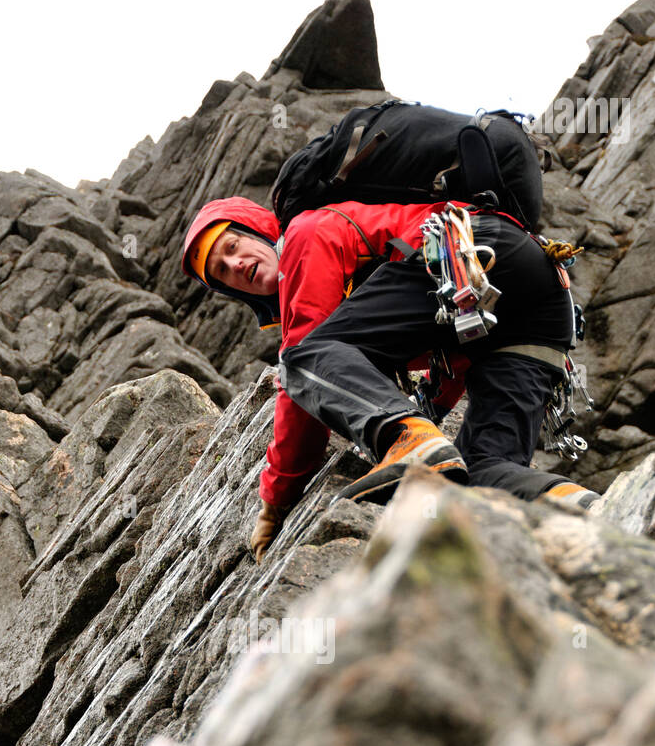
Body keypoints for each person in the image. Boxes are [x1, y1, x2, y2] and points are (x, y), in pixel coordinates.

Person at [182, 195, 599, 562]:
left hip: (468, 250)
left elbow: (305, 361)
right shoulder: (363, 296)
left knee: (298, 362)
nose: (236, 264)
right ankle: (595, 515)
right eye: (222, 272)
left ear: (260, 230)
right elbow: (448, 351)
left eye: (234, 246)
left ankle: (410, 445)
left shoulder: (308, 234)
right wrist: (431, 415)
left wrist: (275, 500)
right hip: (535, 312)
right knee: (480, 477)